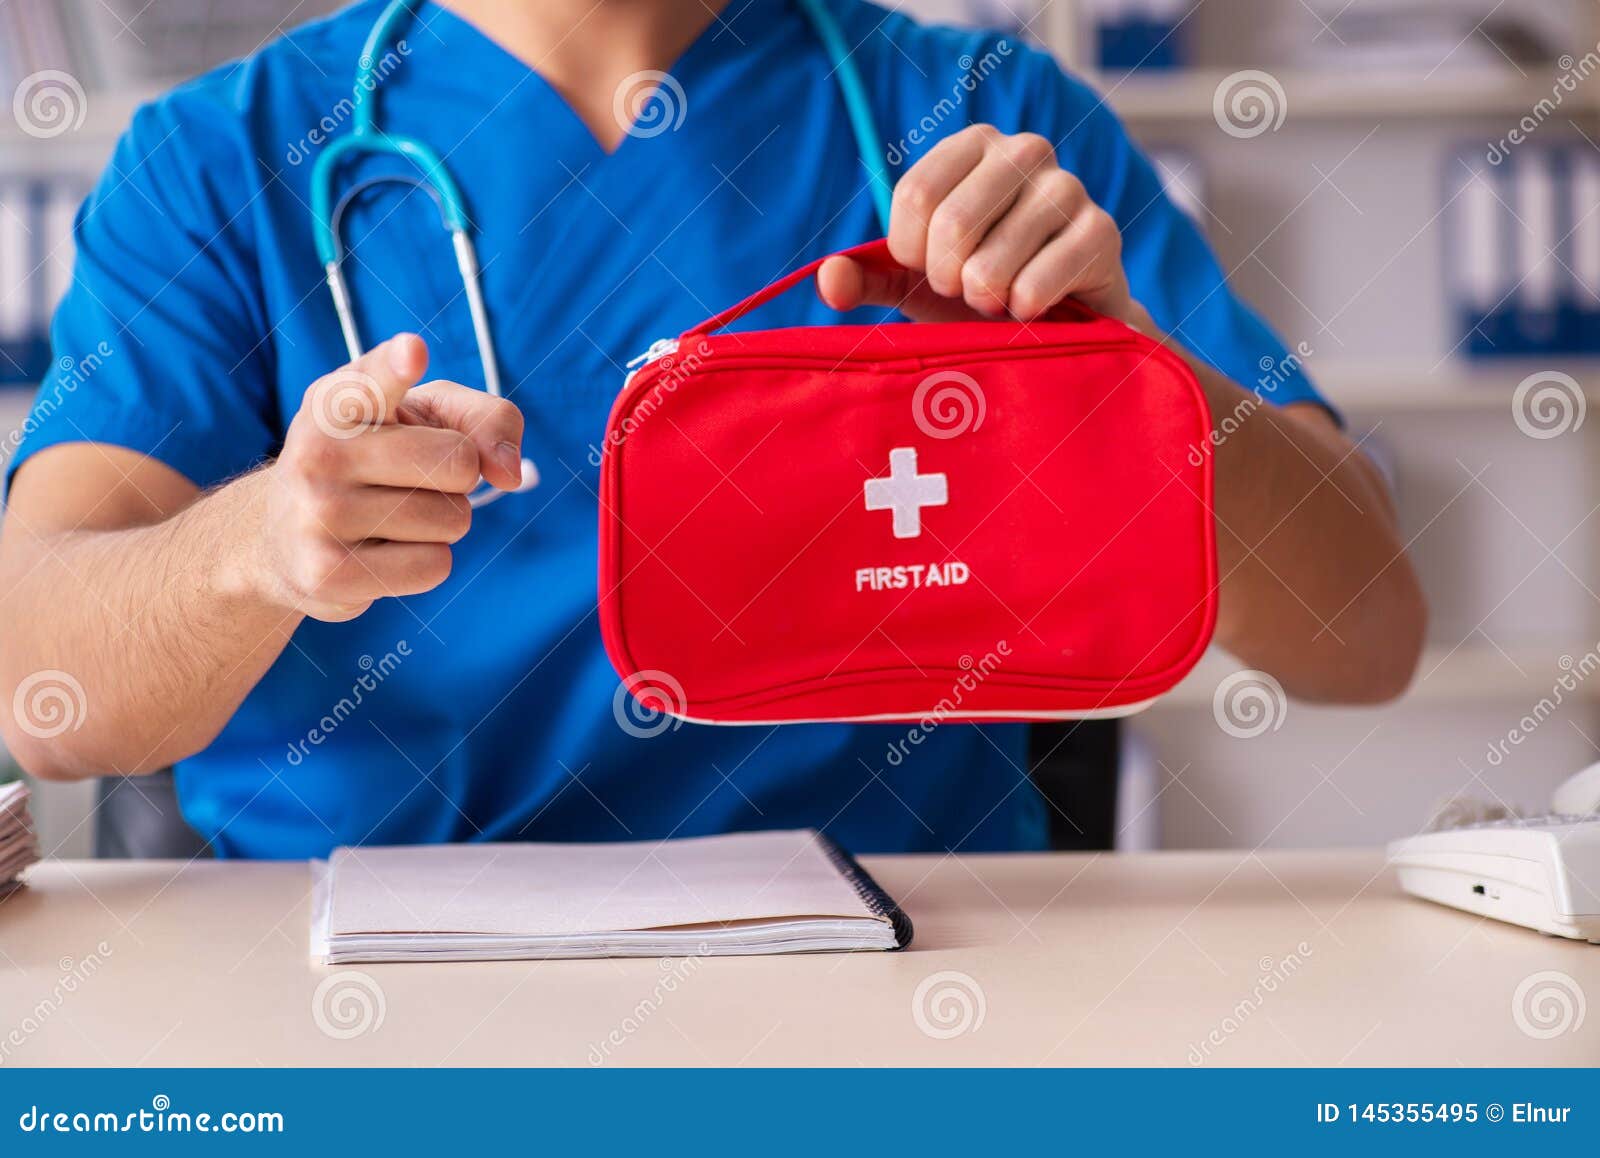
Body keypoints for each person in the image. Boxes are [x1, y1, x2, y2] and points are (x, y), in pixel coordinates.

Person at [0, 0, 1425, 858]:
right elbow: (38, 689)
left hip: (904, 998)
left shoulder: (983, 127)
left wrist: (1123, 387)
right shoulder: (225, 161)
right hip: (368, 1014)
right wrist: (256, 545)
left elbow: (1367, 636)